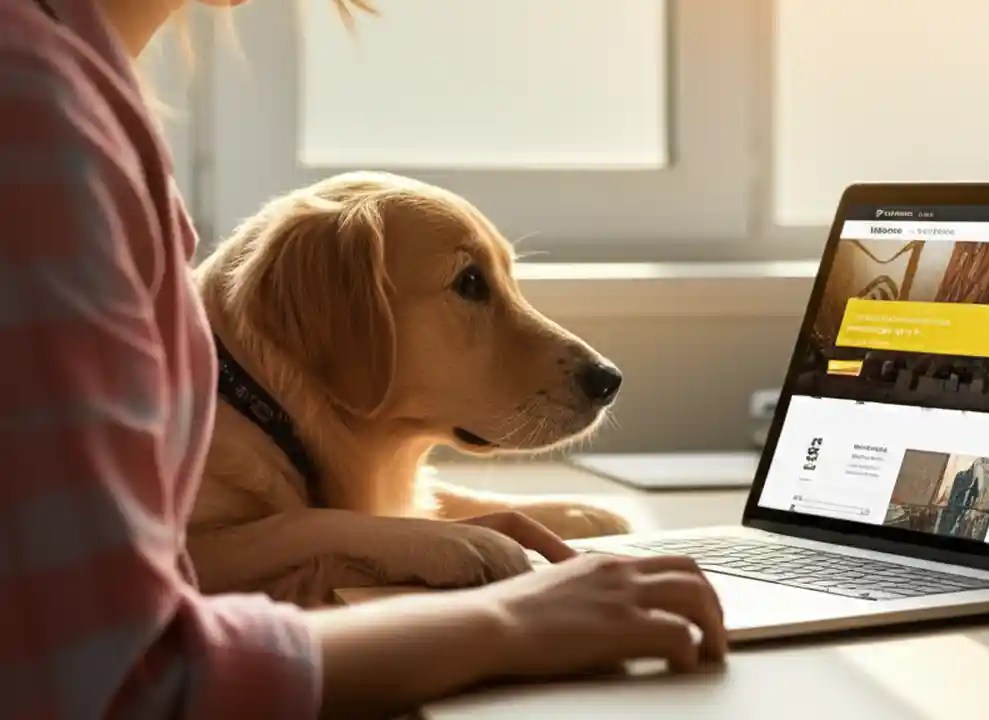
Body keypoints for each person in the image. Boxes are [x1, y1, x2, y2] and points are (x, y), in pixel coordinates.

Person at [0, 1, 726, 717]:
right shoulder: (38, 116)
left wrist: (462, 532)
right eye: (471, 287)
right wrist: (510, 625)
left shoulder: (73, 92)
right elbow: (126, 677)